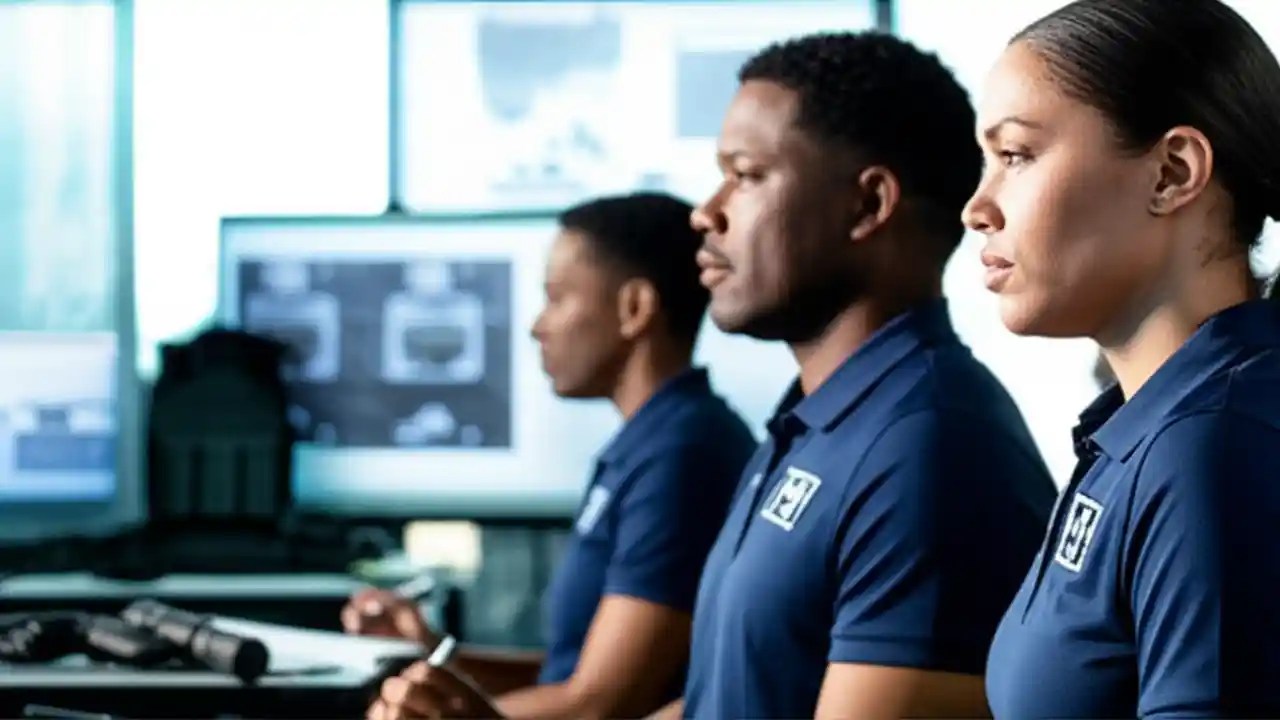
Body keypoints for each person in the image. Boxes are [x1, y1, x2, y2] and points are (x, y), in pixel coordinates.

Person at [657, 31, 1058, 720]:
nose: (707, 210)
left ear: (868, 205)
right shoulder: (818, 422)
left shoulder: (928, 446)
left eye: (747, 174)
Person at [964, 0, 1280, 716]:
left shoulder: (1216, 447)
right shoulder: (1146, 430)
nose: (978, 206)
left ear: (1171, 172)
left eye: (1015, 155)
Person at [348, 192, 759, 720]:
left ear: (634, 308)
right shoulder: (649, 445)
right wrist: (435, 653)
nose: (538, 326)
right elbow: (571, 676)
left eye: (558, 298)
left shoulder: (683, 455)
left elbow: (601, 704)